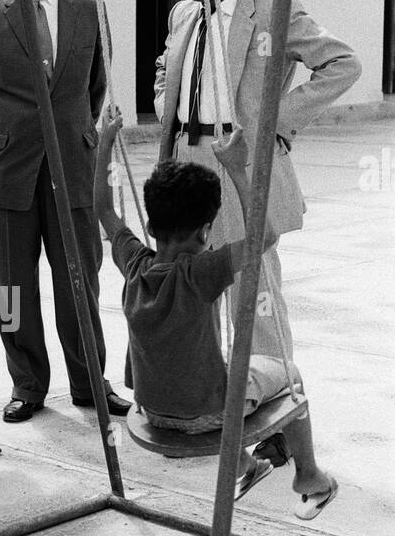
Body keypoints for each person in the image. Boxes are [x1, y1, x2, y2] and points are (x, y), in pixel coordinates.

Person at [155, 0, 360, 463]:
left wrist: (275, 122)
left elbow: (343, 65)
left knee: (256, 291)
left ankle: (280, 420)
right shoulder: (183, 14)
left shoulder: (273, 12)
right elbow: (168, 72)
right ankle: (207, 399)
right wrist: (163, 98)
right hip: (186, 161)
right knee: (193, 283)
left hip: (239, 163)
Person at [95, 117, 337, 515]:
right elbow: (265, 236)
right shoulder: (200, 274)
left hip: (150, 409)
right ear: (206, 233)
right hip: (204, 415)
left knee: (217, 371)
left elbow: (103, 208)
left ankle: (246, 466)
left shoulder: (134, 263)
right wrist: (237, 168)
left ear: (152, 225)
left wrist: (105, 142)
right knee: (289, 375)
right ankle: (308, 476)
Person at [0, 0, 131, 425]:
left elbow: (94, 87)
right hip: (11, 168)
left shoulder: (87, 10)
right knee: (12, 283)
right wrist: (14, 135)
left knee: (79, 276)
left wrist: (68, 133)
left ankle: (88, 383)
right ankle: (27, 385)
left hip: (73, 168)